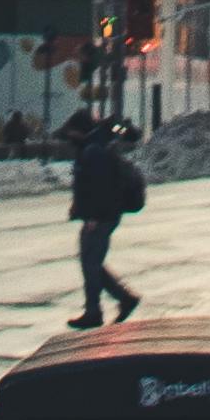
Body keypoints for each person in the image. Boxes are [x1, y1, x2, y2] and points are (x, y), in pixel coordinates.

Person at [62, 101, 146, 327]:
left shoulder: (93, 151)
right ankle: (117, 301)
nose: (69, 138)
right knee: (92, 263)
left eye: (71, 133)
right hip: (102, 216)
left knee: (91, 264)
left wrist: (93, 217)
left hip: (101, 217)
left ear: (79, 131)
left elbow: (99, 188)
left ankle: (99, 310)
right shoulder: (93, 147)